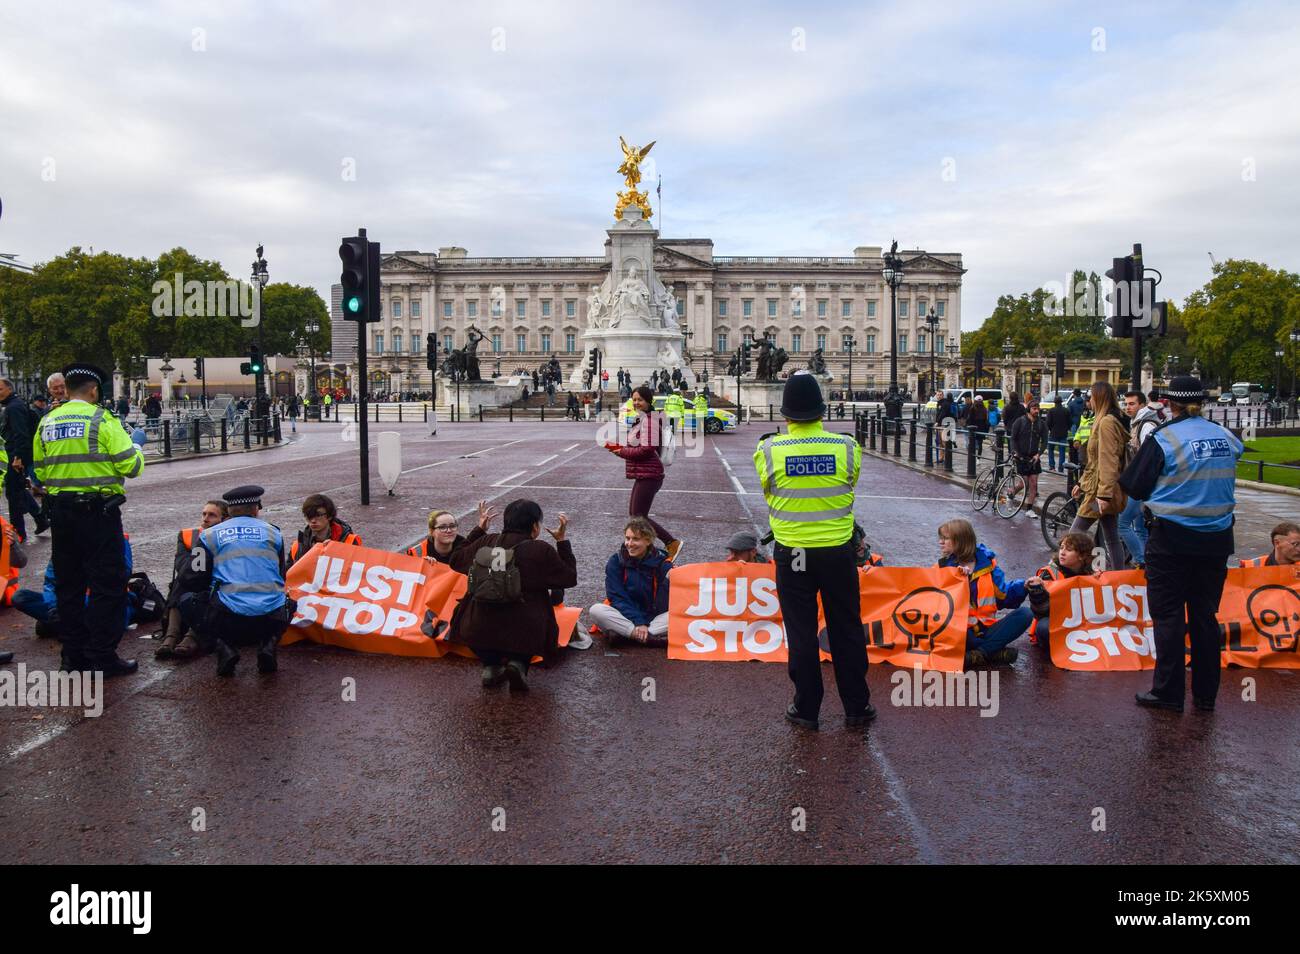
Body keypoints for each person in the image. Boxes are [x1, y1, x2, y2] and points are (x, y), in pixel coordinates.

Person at [1120, 376, 1244, 713]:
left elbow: (1134, 484)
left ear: (1169, 403)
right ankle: (1206, 694)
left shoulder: (1165, 438)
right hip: (1217, 538)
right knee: (1205, 618)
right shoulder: (1225, 436)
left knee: (1169, 617)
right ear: (1201, 403)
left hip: (1172, 538)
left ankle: (1169, 692)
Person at [754, 371, 870, 731]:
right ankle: (856, 706)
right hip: (837, 551)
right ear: (822, 411)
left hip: (794, 553)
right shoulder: (847, 447)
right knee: (846, 629)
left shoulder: (769, 450)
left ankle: (806, 709)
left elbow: (768, 489)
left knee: (801, 631)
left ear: (785, 415)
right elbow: (849, 483)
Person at [32, 363, 145, 675]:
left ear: (67, 389)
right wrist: (137, 445)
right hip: (98, 512)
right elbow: (130, 467)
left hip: (60, 513)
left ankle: (73, 656)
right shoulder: (101, 419)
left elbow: (39, 471)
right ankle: (102, 656)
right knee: (107, 584)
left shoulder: (48, 421)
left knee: (68, 586)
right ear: (94, 390)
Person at [447, 498, 576, 691]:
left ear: (506, 521)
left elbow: (455, 560)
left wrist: (479, 530)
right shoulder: (540, 549)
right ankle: (519, 663)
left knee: (468, 610)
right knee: (542, 605)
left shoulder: (487, 541)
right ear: (534, 526)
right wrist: (562, 541)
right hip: (524, 632)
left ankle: (491, 666)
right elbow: (569, 578)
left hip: (477, 628)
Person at [179, 485, 290, 677]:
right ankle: (268, 644)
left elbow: (191, 577)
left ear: (229, 511)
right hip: (271, 615)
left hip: (228, 615)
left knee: (187, 599)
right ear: (256, 508)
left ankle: (224, 646)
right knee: (291, 602)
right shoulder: (274, 533)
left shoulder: (208, 535)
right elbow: (281, 574)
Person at [936, 518, 1033, 668]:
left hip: (985, 629)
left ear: (961, 540)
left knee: (1025, 614)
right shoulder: (942, 567)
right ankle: (992, 652)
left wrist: (1024, 586)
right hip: (959, 632)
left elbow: (1004, 597)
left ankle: (978, 654)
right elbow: (933, 603)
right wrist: (958, 579)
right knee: (949, 630)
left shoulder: (988, 564)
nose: (941, 542)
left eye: (945, 538)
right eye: (940, 538)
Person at [605, 385, 682, 561]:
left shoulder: (651, 421)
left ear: (648, 401)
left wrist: (621, 452)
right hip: (644, 472)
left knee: (638, 516)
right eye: (634, 399)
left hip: (650, 473)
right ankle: (650, 549)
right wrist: (620, 448)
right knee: (636, 515)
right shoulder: (644, 419)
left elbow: (647, 449)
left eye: (640, 399)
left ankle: (672, 543)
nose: (637, 402)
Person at [155, 499, 229, 658]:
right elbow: (182, 565)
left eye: (212, 515)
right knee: (182, 580)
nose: (205, 519)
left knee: (210, 583)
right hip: (191, 577)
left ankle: (192, 636)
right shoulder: (188, 535)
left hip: (217, 584)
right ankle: (171, 635)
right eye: (204, 514)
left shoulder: (227, 537)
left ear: (225, 520)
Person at [1068, 382, 1126, 571]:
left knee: (1074, 534)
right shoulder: (1106, 420)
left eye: (1092, 397)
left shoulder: (1106, 423)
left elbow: (1108, 461)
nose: (1089, 401)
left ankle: (1069, 574)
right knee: (1111, 536)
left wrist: (1103, 495)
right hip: (1101, 489)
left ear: (1099, 398)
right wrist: (1081, 482)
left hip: (1099, 494)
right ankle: (1118, 574)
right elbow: (1094, 462)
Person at [589, 517, 673, 645]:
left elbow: (665, 602)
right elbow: (616, 597)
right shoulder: (616, 561)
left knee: (684, 613)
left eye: (635, 539)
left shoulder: (663, 562)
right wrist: (638, 621)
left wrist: (671, 578)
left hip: (654, 618)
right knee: (596, 610)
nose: (629, 543)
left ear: (648, 541)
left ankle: (626, 636)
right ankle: (648, 638)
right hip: (625, 616)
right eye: (627, 538)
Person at [1027, 531, 1097, 647]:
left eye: (1069, 550)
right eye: (1061, 548)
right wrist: (1037, 592)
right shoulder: (1048, 573)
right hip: (1056, 619)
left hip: (1079, 621)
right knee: (1044, 627)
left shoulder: (1090, 573)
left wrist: (1098, 581)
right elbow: (1039, 612)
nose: (1062, 553)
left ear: (1082, 556)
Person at [1118, 390, 1163, 567]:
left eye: (1132, 404)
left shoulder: (1146, 426)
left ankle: (1141, 561)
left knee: (1122, 524)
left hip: (1140, 484)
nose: (1128, 407)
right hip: (1141, 483)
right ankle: (1146, 562)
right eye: (1126, 404)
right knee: (1140, 528)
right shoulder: (1137, 422)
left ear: (1143, 405)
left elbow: (1148, 459)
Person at [0, 378, 48, 542]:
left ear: (9, 389)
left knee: (13, 496)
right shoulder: (14, 405)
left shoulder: (14, 407)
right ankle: (40, 518)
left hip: (16, 456)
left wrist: (18, 458)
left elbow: (21, 434)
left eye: (0, 389)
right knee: (18, 490)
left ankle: (19, 533)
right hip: (15, 455)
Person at [407, 503, 492, 565]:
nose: (448, 530)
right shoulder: (417, 552)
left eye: (452, 526)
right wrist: (420, 565)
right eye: (442, 527)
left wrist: (481, 528)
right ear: (432, 531)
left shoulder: (464, 547)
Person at [288, 494, 361, 565]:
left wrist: (336, 550)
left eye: (318, 515)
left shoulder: (350, 541)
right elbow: (287, 574)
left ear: (329, 516)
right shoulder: (298, 546)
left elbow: (357, 571)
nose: (313, 520)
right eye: (309, 516)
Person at [1009, 400, 1044, 517]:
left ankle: (1029, 509)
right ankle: (1012, 493)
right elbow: (1013, 438)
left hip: (1034, 457)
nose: (1037, 411)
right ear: (1029, 409)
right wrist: (1015, 452)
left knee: (1033, 483)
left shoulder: (1041, 424)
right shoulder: (1020, 422)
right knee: (1024, 483)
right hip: (1021, 456)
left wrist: (1038, 454)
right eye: (1034, 408)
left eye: (1038, 408)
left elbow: (1045, 441)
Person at [1045, 396, 1071, 472]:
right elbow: (1070, 422)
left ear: (1054, 402)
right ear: (1061, 402)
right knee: (1062, 451)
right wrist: (1066, 428)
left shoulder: (1051, 411)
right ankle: (1061, 467)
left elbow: (1048, 422)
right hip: (1063, 433)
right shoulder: (1066, 411)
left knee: (1050, 449)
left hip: (1053, 433)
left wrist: (1050, 429)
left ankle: (1052, 466)